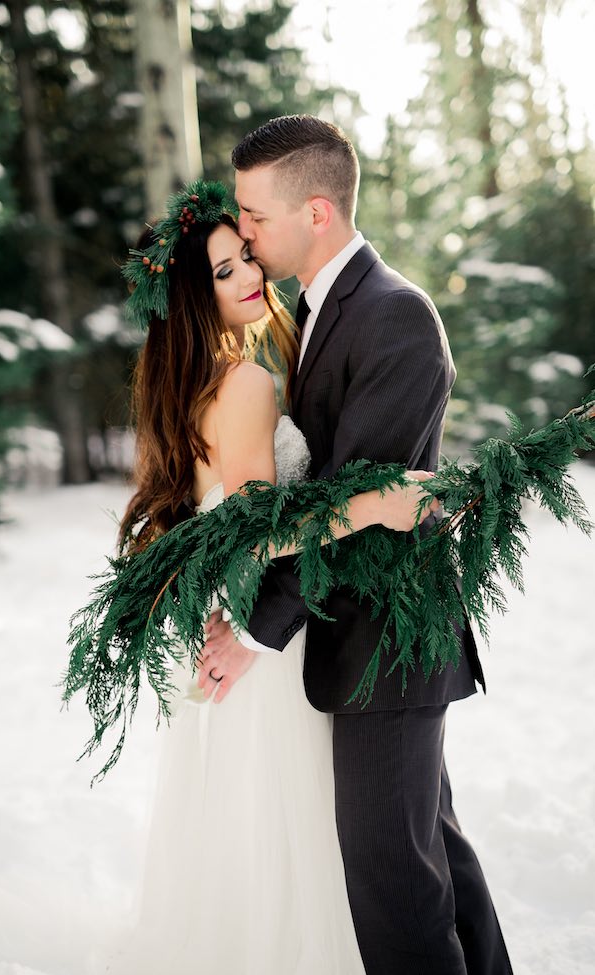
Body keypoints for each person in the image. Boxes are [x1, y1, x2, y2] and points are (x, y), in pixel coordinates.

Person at [197, 117, 514, 975]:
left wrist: (257, 629)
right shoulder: (316, 311)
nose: (245, 235)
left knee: (395, 893)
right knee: (434, 862)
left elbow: (350, 500)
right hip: (360, 645)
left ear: (318, 211)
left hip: (389, 644)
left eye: (255, 215)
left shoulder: (394, 315)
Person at [108, 179, 436, 974]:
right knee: (294, 832)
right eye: (224, 271)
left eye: (245, 257)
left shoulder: (188, 391)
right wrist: (374, 504)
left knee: (248, 831)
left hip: (235, 623)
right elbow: (257, 533)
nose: (251, 274)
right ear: (193, 298)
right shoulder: (245, 383)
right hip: (265, 636)